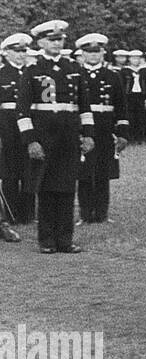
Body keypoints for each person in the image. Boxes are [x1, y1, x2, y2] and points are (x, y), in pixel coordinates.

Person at [16, 20, 95, 254]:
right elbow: (22, 110)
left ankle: (65, 239)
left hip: (69, 137)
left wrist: (88, 134)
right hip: (44, 137)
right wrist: (30, 139)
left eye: (59, 39)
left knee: (67, 188)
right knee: (47, 188)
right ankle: (47, 240)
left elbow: (85, 107)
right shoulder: (32, 71)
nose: (56, 43)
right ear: (40, 42)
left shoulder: (74, 69)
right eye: (51, 39)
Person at [74, 33, 129, 224]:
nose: (93, 56)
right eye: (89, 52)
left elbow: (121, 106)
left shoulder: (113, 76)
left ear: (103, 53)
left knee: (103, 172)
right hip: (83, 129)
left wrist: (122, 133)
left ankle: (102, 214)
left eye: (97, 52)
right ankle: (85, 214)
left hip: (106, 129)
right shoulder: (75, 74)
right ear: (82, 54)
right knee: (84, 172)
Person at [0, 32, 34, 241]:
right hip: (7, 128)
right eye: (17, 51)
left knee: (29, 171)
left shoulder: (32, 73)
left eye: (24, 51)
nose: (21, 55)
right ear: (6, 53)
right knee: (10, 172)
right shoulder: (1, 74)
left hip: (28, 128)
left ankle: (28, 213)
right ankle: (10, 214)